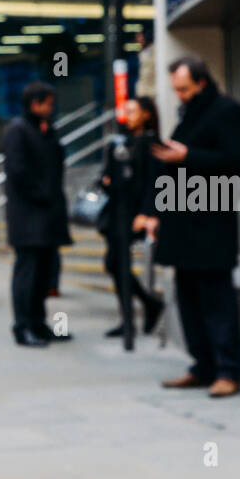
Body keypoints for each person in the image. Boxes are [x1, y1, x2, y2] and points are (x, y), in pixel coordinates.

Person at [141, 55, 240, 398]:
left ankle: (228, 370)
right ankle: (202, 366)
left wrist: (187, 156)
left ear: (202, 82)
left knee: (217, 299)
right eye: (176, 89)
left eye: (185, 88)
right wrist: (154, 211)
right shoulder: (188, 114)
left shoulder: (228, 111)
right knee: (189, 300)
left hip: (211, 223)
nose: (180, 95)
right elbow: (169, 170)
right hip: (182, 223)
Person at [4, 82, 73, 347]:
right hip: (28, 219)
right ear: (35, 104)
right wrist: (41, 195)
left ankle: (39, 323)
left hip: (46, 218)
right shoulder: (18, 131)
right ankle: (23, 326)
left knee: (44, 273)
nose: (51, 109)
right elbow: (18, 172)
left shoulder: (44, 131)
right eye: (48, 104)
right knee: (28, 274)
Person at [99, 96, 165, 337]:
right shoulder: (122, 142)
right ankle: (135, 314)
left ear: (147, 114)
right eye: (126, 110)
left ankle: (142, 311)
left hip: (136, 213)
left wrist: (147, 213)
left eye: (133, 110)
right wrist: (106, 181)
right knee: (115, 263)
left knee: (116, 263)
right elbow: (110, 176)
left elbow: (154, 182)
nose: (129, 114)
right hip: (118, 211)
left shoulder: (151, 143)